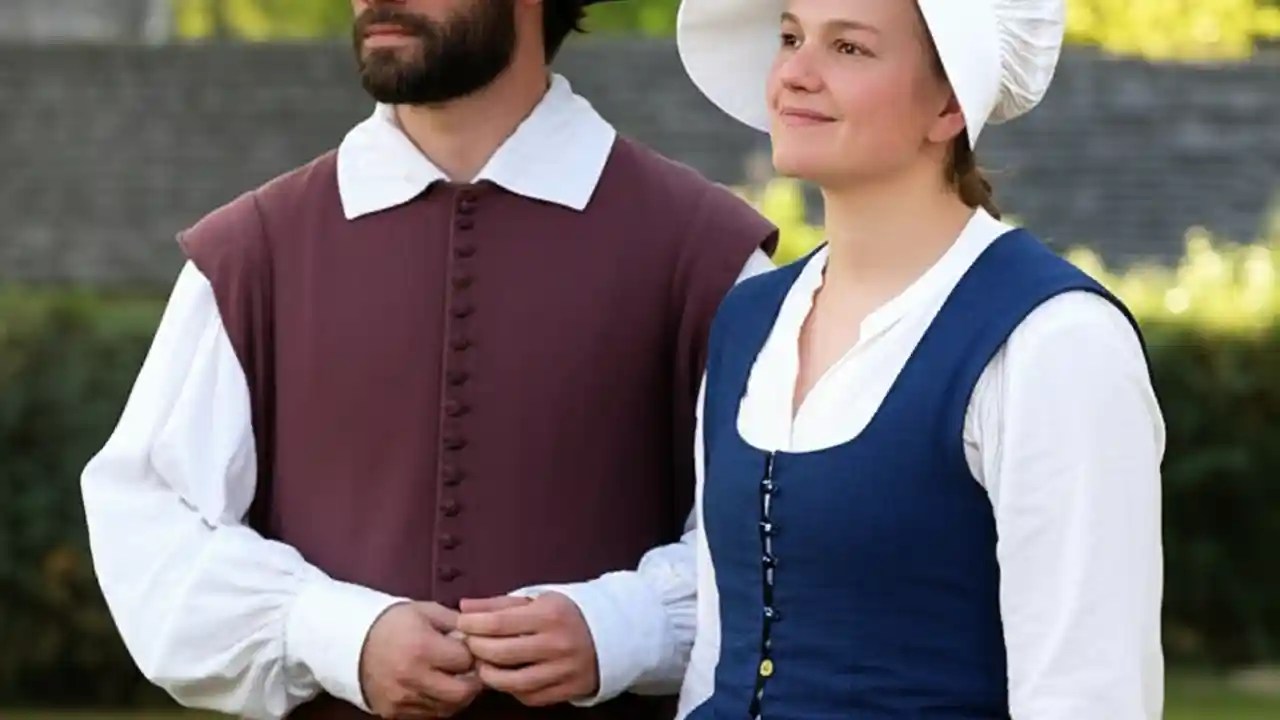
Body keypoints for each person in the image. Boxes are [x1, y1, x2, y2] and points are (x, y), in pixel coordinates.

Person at [79, 1, 776, 718]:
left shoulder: (708, 258)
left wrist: (628, 625)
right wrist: (331, 631)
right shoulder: (249, 256)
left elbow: (789, 544)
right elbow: (152, 532)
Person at [475, 0, 1166, 717]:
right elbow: (719, 651)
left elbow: (1087, 695)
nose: (794, 74)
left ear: (949, 107)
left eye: (849, 48)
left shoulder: (1053, 341)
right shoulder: (750, 319)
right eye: (790, 37)